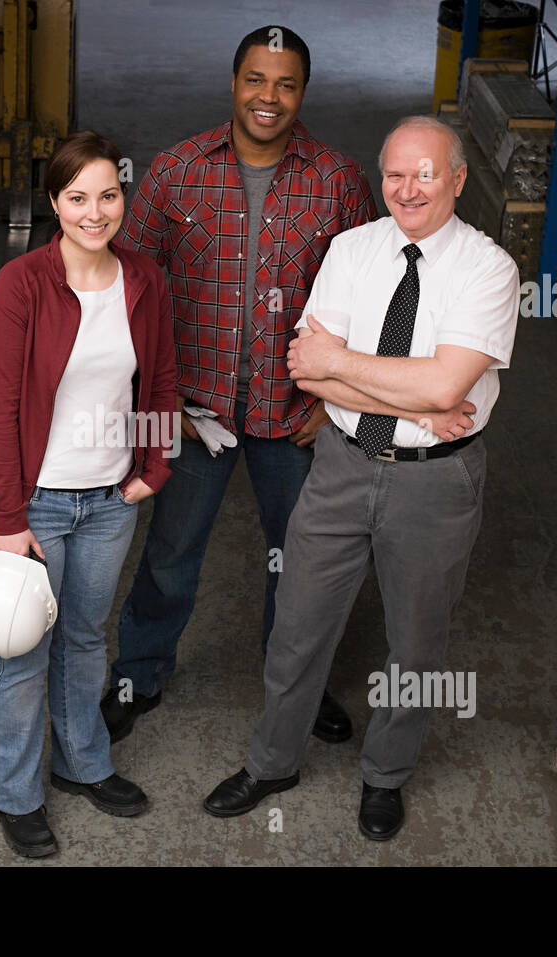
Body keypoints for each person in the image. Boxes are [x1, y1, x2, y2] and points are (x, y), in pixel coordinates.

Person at [202, 115, 520, 841]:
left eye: (425, 173)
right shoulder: (351, 250)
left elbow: (439, 386)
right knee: (297, 626)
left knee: (416, 642)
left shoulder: (489, 269)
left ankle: (386, 776)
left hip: (433, 483)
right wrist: (415, 390)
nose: (407, 189)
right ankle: (273, 759)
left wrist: (353, 371)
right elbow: (305, 368)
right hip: (340, 467)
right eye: (395, 174)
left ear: (458, 179)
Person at [103, 25, 378, 745]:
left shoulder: (339, 179)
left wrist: (334, 397)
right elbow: (127, 289)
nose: (269, 97)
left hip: (293, 412)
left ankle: (298, 688)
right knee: (170, 551)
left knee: (304, 562)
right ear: (234, 83)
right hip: (198, 409)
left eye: (286, 85)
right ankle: (138, 670)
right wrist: (157, 402)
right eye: (257, 80)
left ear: (302, 94)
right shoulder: (176, 170)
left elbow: (373, 298)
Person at [0, 131, 177, 858]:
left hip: (107, 498)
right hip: (32, 501)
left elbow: (157, 381)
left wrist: (155, 467)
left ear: (124, 196)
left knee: (88, 639)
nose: (96, 212)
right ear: (55, 202)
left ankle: (84, 762)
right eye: (78, 197)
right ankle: (16, 793)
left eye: (109, 195)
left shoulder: (143, 279)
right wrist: (7, 518)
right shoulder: (21, 285)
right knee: (21, 651)